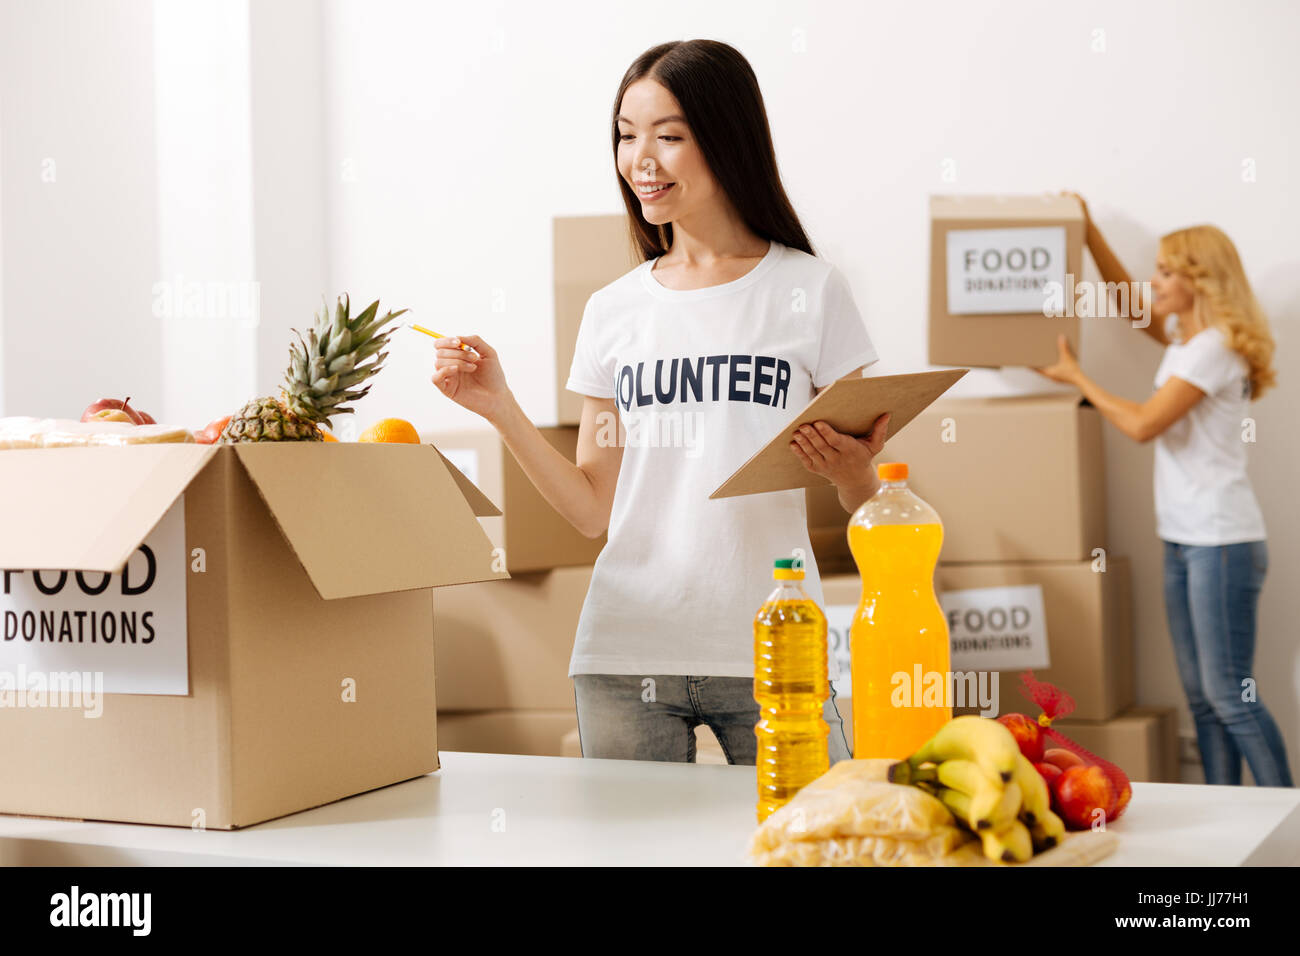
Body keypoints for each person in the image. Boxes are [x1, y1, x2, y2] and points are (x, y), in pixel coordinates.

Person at [430, 40, 889, 765]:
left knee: (813, 842)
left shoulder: (810, 290)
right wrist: (500, 408)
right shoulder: (615, 311)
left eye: (668, 136)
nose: (640, 158)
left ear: (727, 139)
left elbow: (873, 500)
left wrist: (855, 477)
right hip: (626, 650)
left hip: (773, 645)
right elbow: (592, 511)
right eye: (626, 134)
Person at [1034, 195, 1290, 787]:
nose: (1155, 281)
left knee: (1231, 695)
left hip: (1220, 542)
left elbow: (1145, 424)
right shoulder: (1184, 339)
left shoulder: (1216, 347)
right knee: (1203, 699)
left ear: (1200, 280)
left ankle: (1287, 817)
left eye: (1167, 271)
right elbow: (1133, 310)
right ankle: (1230, 819)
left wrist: (1078, 379)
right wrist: (1090, 231)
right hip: (1184, 538)